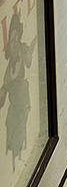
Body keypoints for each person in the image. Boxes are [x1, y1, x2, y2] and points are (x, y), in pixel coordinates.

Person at [0, 12, 37, 173]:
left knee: (21, 131)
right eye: (12, 41)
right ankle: (15, 165)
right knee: (11, 128)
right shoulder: (8, 71)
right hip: (14, 107)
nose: (14, 44)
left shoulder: (22, 50)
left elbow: (29, 62)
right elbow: (3, 92)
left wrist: (33, 45)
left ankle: (21, 160)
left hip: (23, 100)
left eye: (16, 39)